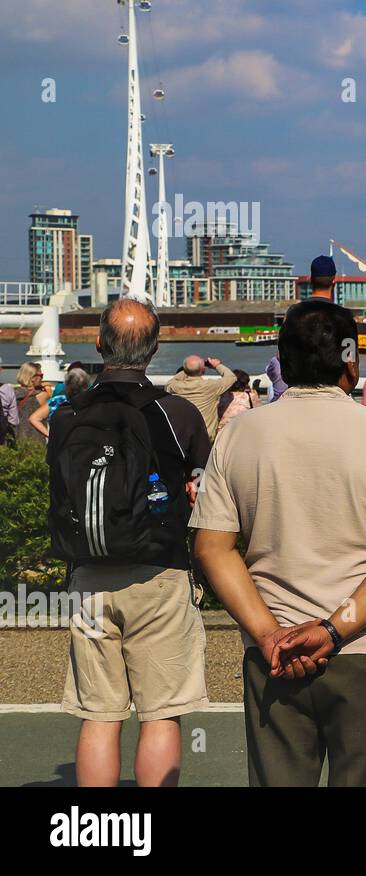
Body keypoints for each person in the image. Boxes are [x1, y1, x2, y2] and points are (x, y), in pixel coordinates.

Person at [191, 299, 366, 787]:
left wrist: (268, 634)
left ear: (282, 362)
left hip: (274, 652)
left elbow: (212, 548)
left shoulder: (238, 436)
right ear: (351, 359)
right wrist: (332, 630)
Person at [49, 298, 211, 787]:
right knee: (160, 712)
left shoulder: (66, 416)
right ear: (155, 349)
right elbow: (205, 484)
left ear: (99, 344)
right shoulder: (177, 413)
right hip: (159, 573)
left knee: (99, 714)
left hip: (90, 573)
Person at [166, 355, 237, 441]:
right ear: (203, 370)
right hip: (204, 437)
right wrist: (217, 365)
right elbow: (231, 377)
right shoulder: (211, 386)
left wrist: (188, 369)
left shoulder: (174, 386)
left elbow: (172, 381)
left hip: (181, 435)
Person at [29, 367, 90, 440]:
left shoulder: (57, 401)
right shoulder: (92, 401)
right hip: (84, 443)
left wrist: (50, 435)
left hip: (59, 444)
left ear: (67, 384)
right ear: (86, 385)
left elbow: (34, 418)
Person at [13, 362, 50, 444]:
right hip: (35, 439)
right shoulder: (42, 395)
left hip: (15, 438)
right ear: (33, 377)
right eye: (41, 376)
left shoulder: (13, 393)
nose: (42, 379)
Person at [217, 369, 261, 434]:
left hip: (222, 431)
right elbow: (259, 413)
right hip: (242, 431)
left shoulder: (220, 396)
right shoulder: (250, 396)